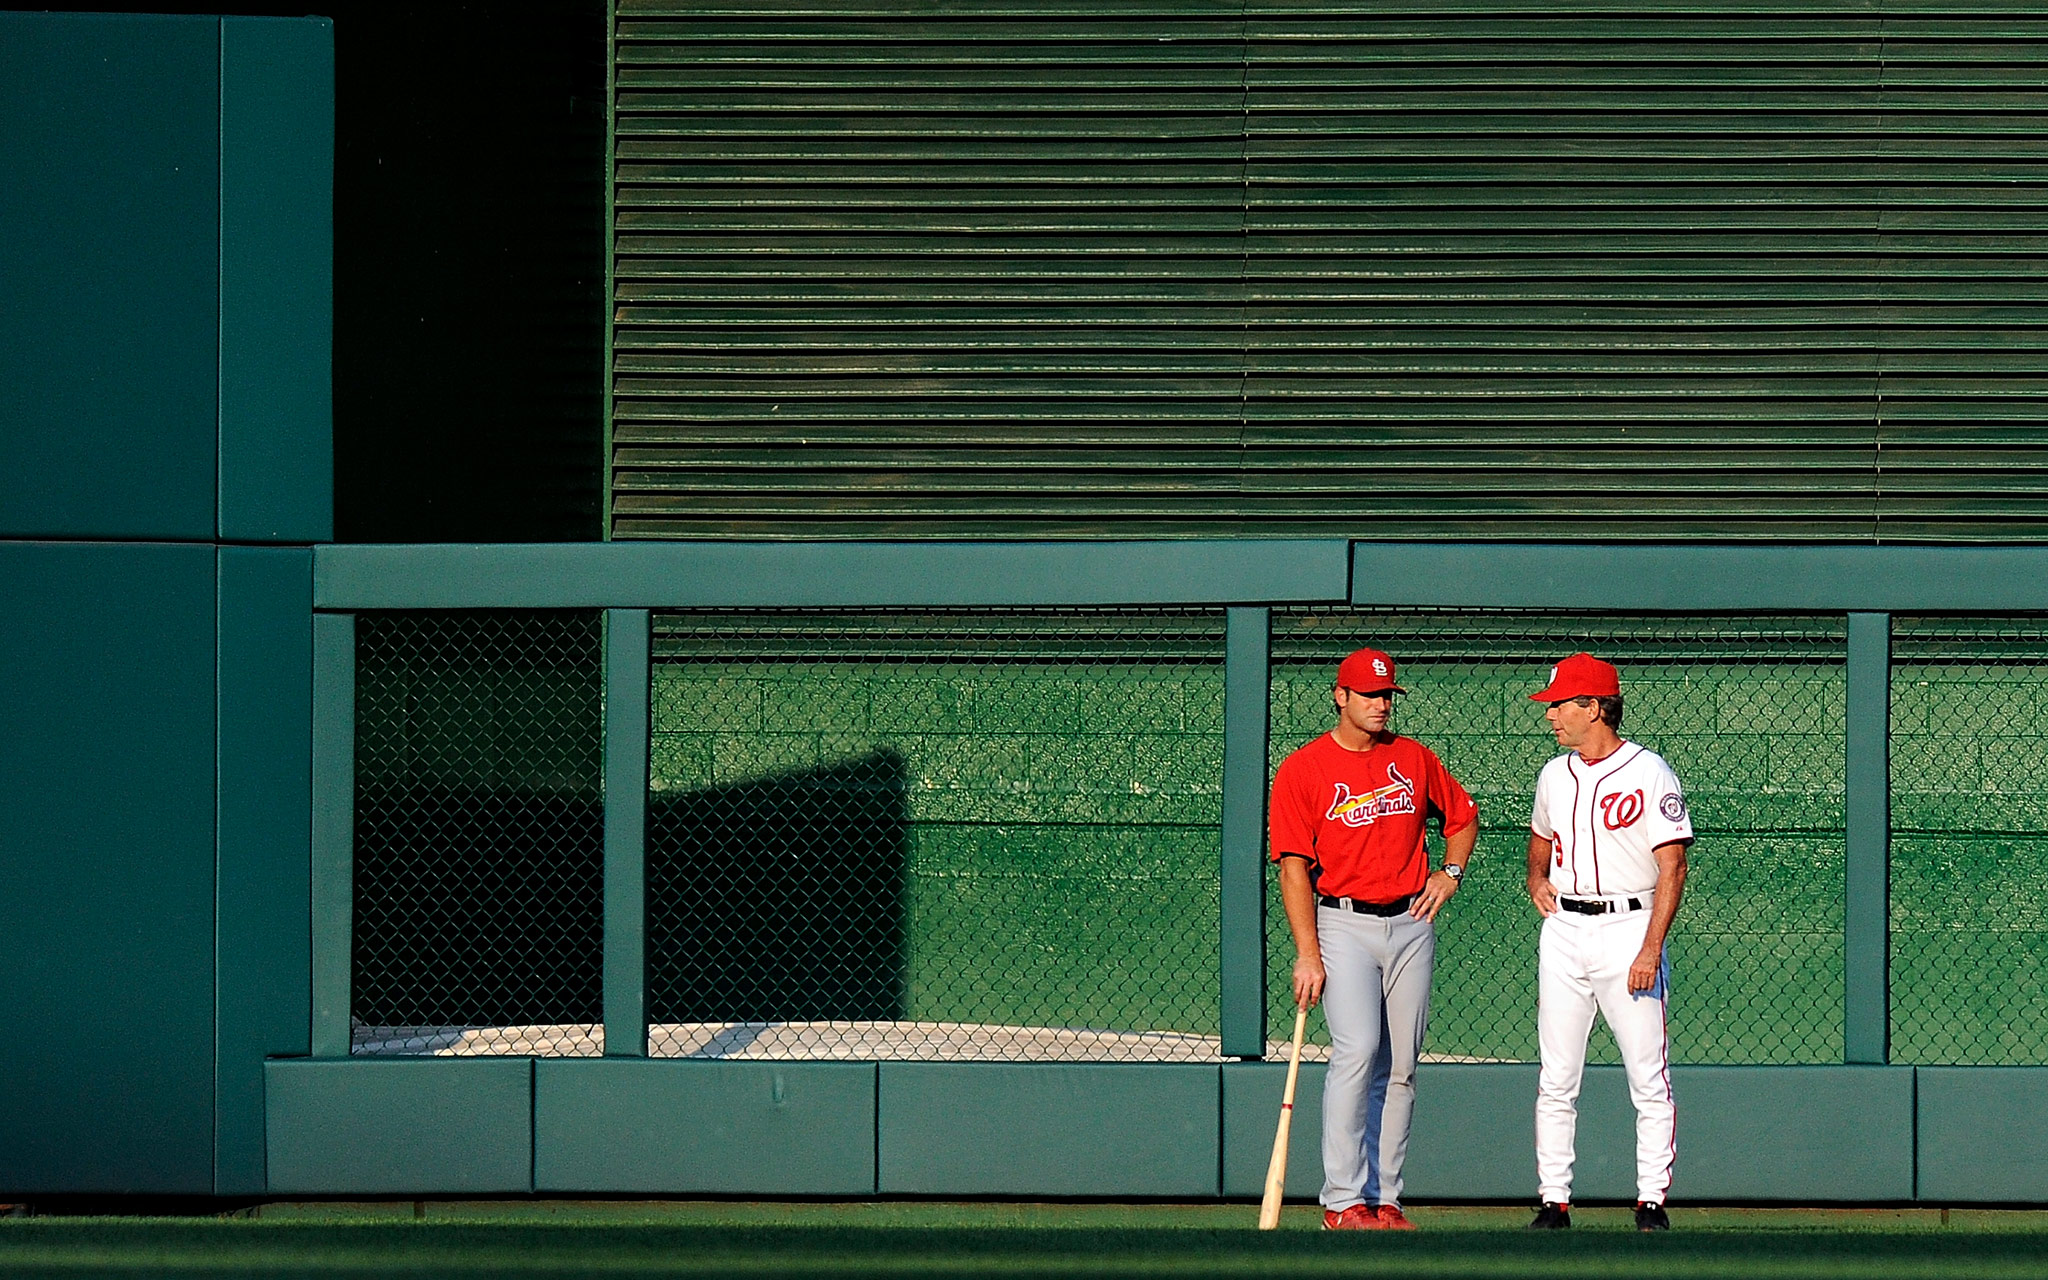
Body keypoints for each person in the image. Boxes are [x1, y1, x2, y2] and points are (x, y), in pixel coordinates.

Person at [1269, 647, 1478, 1231]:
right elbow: (1291, 867)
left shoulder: (1411, 758)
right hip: (1342, 921)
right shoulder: (1303, 767)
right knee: (1357, 1051)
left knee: (1402, 1065)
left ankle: (1385, 1200)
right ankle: (1342, 1201)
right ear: (1341, 697)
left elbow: (1462, 817)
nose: (1382, 704)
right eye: (1370, 695)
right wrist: (1307, 952)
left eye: (1388, 695)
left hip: (1411, 923)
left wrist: (1450, 873)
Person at [1522, 653, 1694, 1233]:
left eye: (1559, 706)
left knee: (1648, 1077)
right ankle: (1553, 1200)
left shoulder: (1650, 772)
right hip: (1565, 931)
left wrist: (1650, 948)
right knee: (1556, 1074)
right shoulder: (1553, 774)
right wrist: (1535, 879)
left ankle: (1651, 1201)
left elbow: (1672, 867)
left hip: (1628, 926)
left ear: (1593, 707)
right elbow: (1540, 838)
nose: (1550, 717)